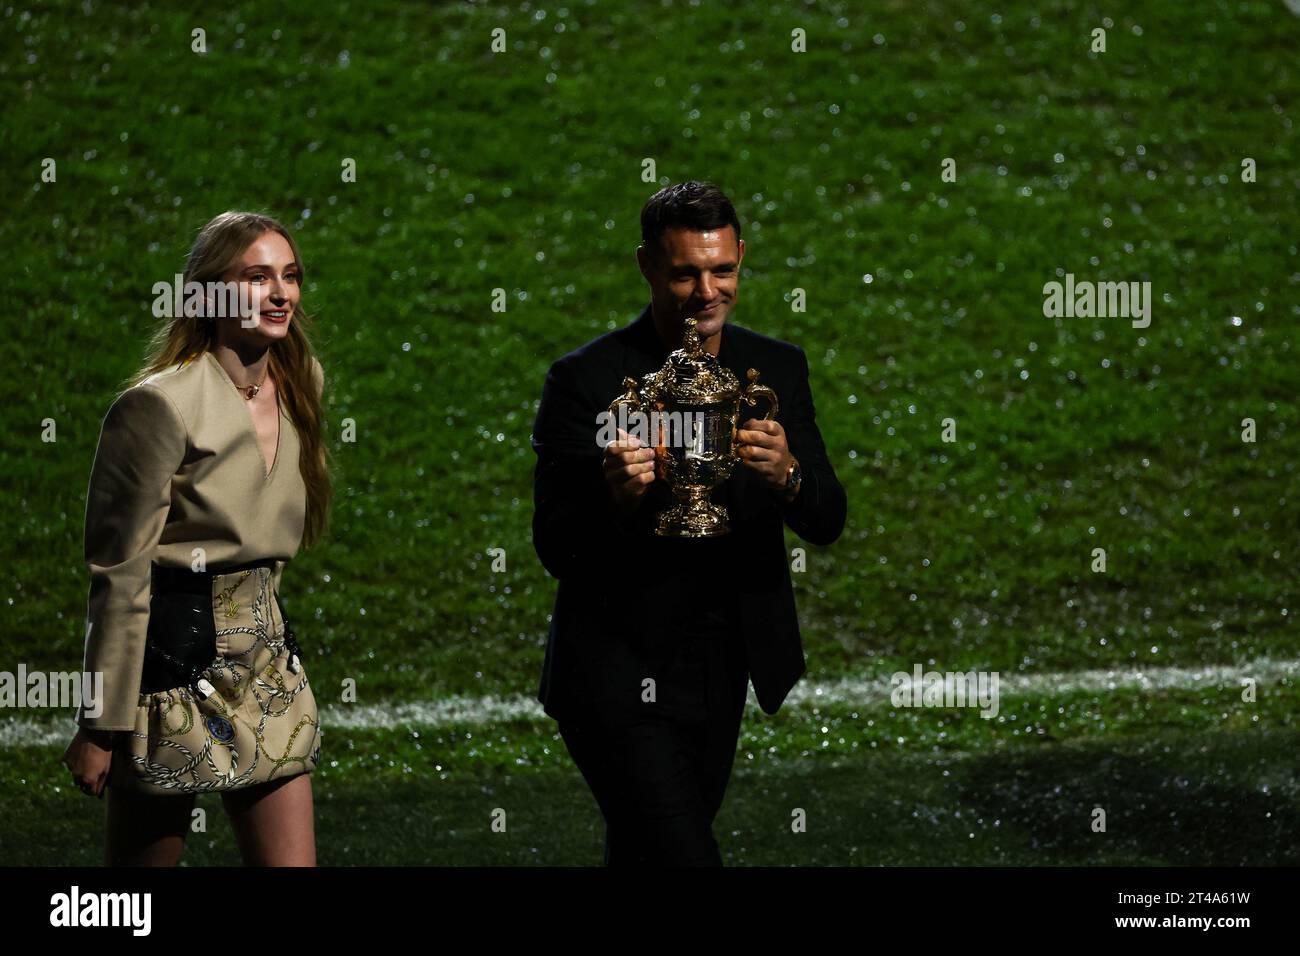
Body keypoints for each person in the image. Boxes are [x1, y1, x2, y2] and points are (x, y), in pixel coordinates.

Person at [531, 181, 847, 865]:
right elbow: (554, 544)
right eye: (685, 272)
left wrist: (790, 475)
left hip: (721, 671)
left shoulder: (778, 370)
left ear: (741, 259)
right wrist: (611, 496)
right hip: (614, 677)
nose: (707, 291)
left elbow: (828, 517)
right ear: (646, 266)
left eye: (722, 270)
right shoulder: (585, 380)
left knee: (647, 856)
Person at [59, 211, 330, 866]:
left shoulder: (301, 385)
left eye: (289, 277)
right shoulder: (158, 406)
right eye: (256, 276)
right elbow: (121, 579)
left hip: (268, 674)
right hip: (169, 678)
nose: (280, 293)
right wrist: (100, 726)